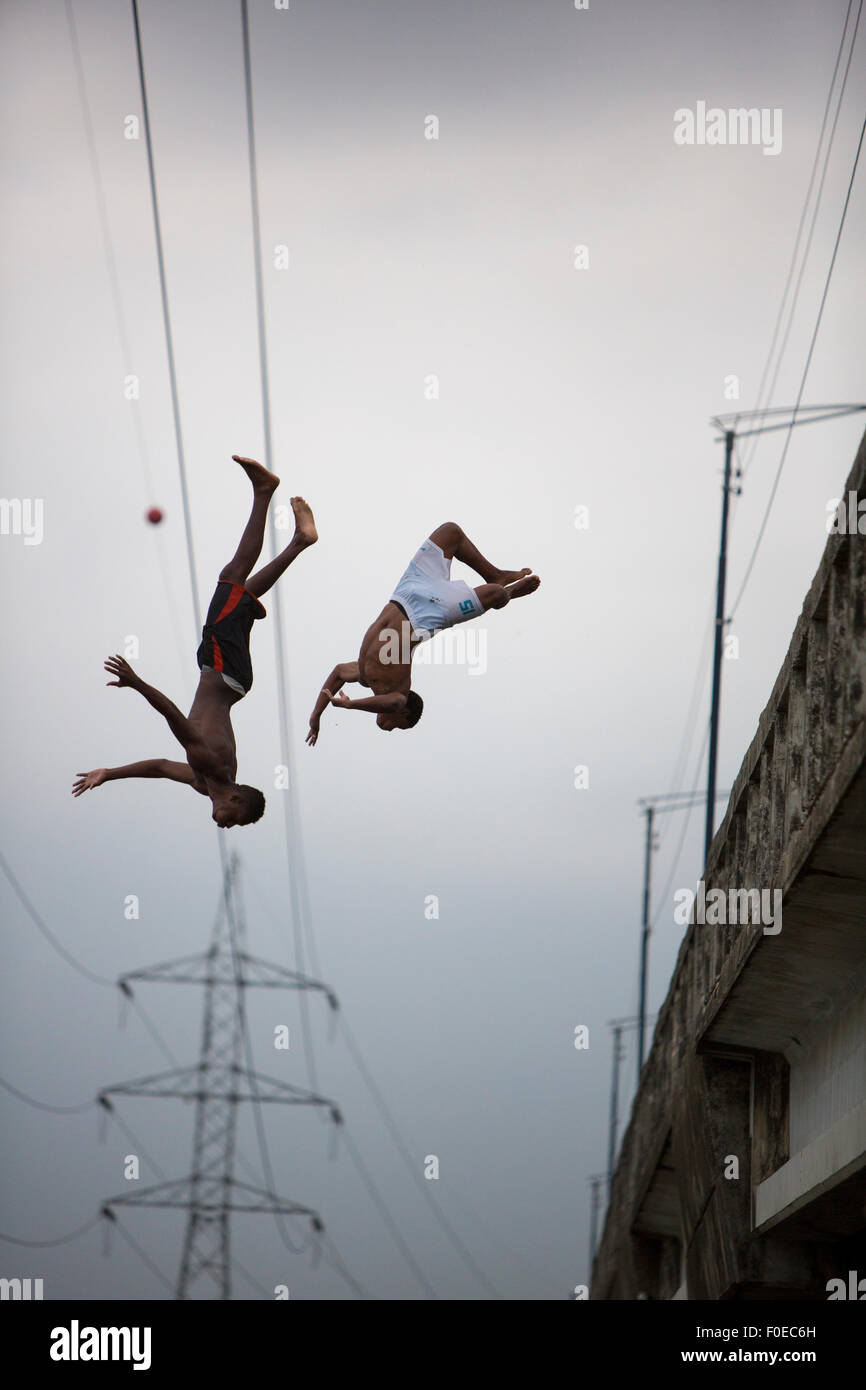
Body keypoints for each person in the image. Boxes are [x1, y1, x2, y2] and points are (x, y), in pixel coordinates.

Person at [73, 456, 317, 827]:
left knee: (242, 594)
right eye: (234, 818)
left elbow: (159, 767)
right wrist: (136, 683)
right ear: (236, 797)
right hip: (222, 669)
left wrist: (109, 772)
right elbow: (174, 717)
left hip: (223, 673)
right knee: (232, 577)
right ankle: (264, 492)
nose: (224, 823)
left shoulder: (205, 783)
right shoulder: (212, 765)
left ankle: (300, 541)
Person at [307, 521, 539, 744]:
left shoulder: (366, 675)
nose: (390, 728)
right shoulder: (398, 693)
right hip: (430, 613)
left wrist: (316, 716)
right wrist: (351, 705)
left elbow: (338, 673)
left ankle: (496, 578)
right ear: (404, 710)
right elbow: (391, 703)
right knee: (459, 543)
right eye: (400, 725)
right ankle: (505, 586)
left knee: (459, 542)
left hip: (405, 595)